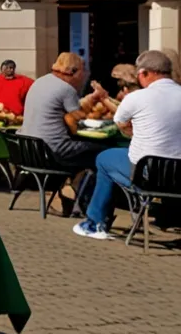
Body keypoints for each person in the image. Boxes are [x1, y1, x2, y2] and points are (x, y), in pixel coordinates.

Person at [74, 50, 181, 240]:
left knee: (104, 159)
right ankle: (167, 216)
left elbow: (122, 125)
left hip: (147, 175)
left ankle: (95, 222)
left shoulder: (136, 97)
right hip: (178, 176)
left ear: (145, 73)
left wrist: (137, 132)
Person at [19, 52, 107, 170]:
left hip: (30, 149)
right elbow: (81, 118)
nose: (84, 76)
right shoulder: (67, 89)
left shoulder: (39, 81)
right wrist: (97, 100)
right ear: (73, 72)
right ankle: (85, 181)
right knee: (104, 150)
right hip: (54, 152)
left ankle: (79, 180)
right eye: (83, 71)